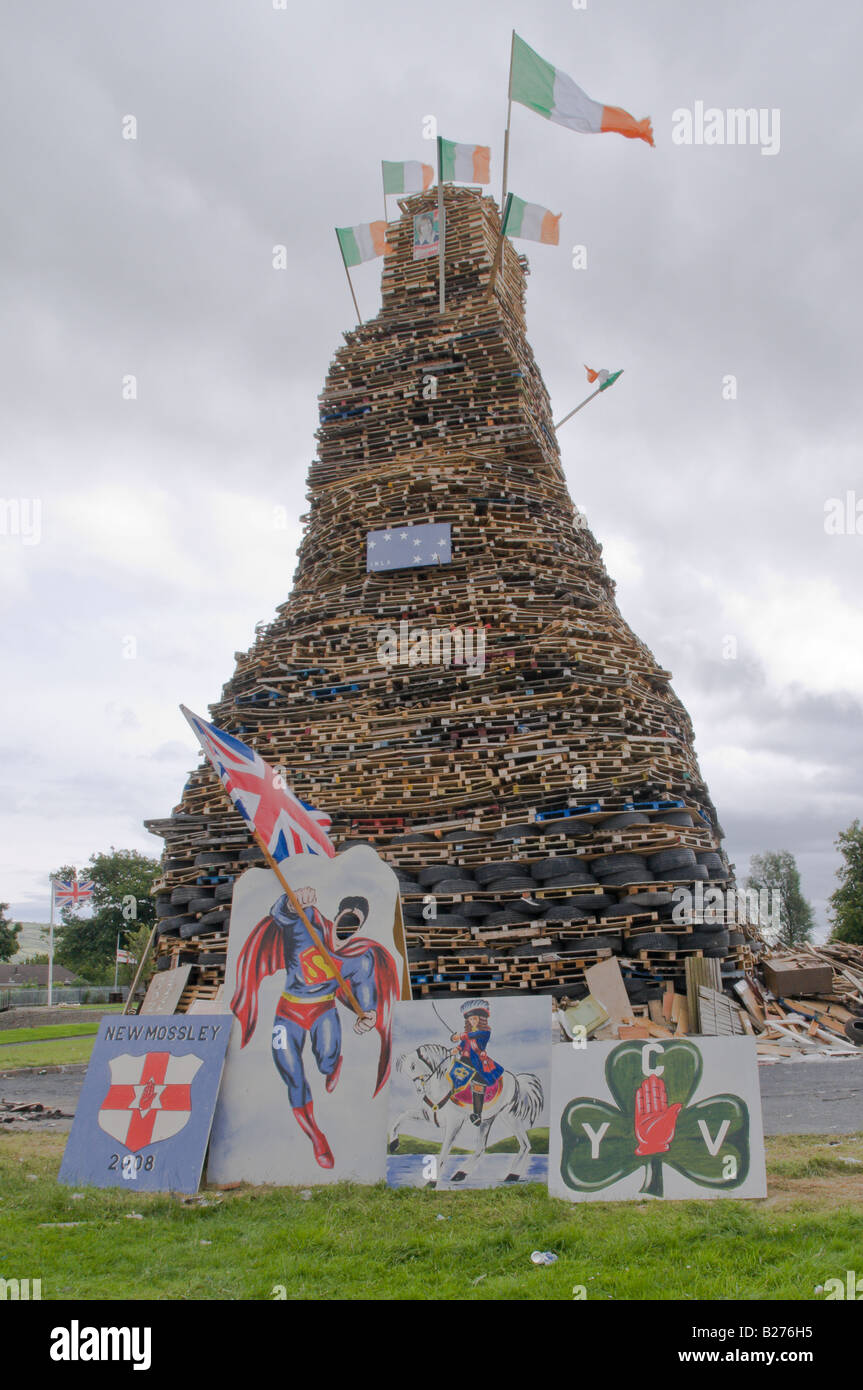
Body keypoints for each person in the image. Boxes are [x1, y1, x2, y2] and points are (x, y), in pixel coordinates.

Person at [231, 886, 398, 1168]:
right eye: (347, 918)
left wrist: (367, 1017)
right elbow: (279, 913)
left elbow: (365, 997)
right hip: (288, 1012)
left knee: (326, 1060)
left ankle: (333, 1064)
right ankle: (316, 1136)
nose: (348, 928)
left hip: (324, 1012)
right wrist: (291, 901)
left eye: (356, 923)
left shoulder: (361, 955)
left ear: (361, 927)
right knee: (291, 1073)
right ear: (338, 913)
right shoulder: (308, 923)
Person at [449, 1000, 503, 1126]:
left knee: (478, 1083)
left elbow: (471, 1036)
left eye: (475, 1019)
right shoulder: (468, 1034)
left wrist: (459, 1036)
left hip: (477, 1063)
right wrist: (457, 1049)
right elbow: (464, 1044)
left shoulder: (485, 1032)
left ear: (481, 1019)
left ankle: (477, 1115)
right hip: (464, 1060)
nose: (472, 1021)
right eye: (470, 1020)